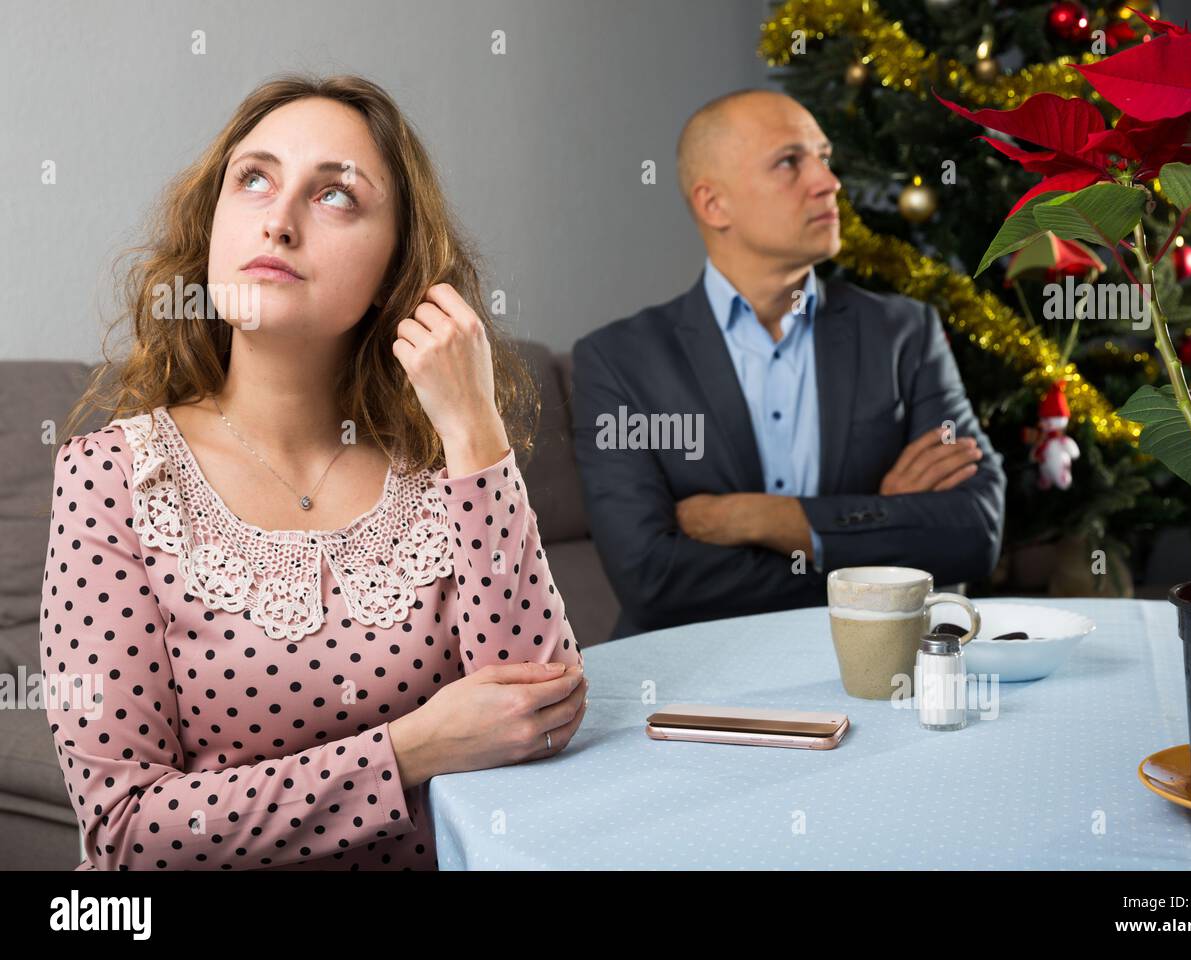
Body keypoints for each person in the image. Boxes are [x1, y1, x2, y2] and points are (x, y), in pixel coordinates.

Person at [40, 74, 586, 871]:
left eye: (335, 195)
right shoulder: (111, 478)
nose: (279, 220)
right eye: (253, 179)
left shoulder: (442, 470)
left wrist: (474, 427)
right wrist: (410, 751)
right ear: (213, 223)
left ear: (394, 268)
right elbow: (126, 832)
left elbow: (537, 709)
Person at [572, 89, 1007, 640]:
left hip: (880, 665)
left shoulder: (903, 332)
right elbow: (652, 581)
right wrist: (872, 531)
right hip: (692, 672)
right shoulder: (618, 361)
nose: (829, 182)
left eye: (823, 157)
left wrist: (766, 519)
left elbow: (973, 532)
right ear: (714, 205)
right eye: (789, 162)